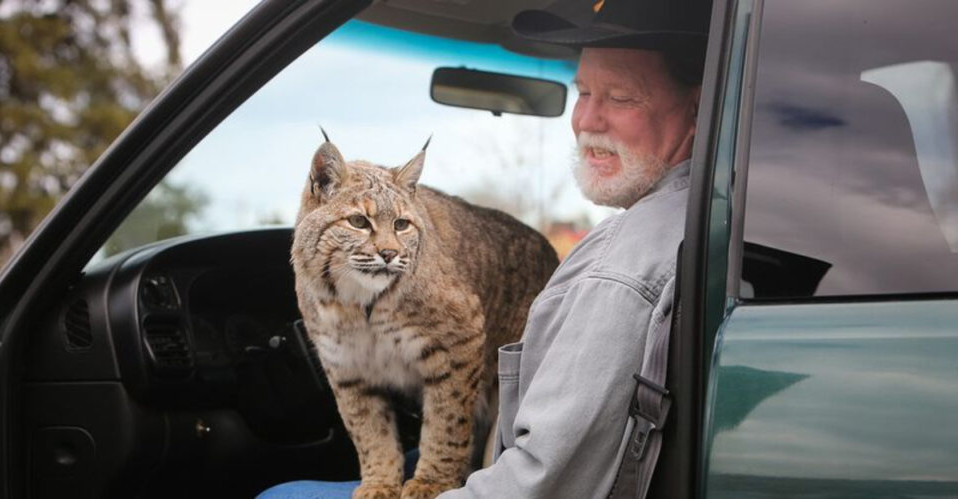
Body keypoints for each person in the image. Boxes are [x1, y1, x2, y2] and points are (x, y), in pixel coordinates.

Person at [259, 0, 710, 497]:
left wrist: (437, 482)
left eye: (621, 97)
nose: (586, 119)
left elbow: (542, 481)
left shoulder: (622, 270)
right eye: (582, 91)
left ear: (697, 108)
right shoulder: (695, 220)